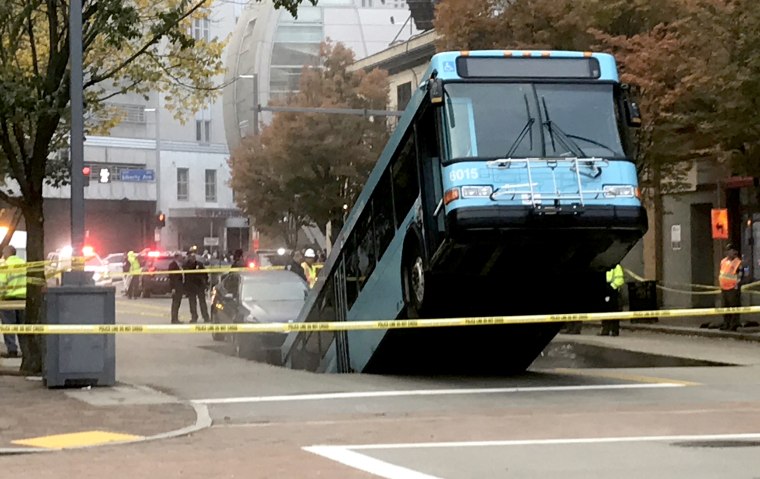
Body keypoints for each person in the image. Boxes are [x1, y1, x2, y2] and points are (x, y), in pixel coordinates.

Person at [0, 246, 25, 358]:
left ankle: (12, 350)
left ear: (7, 253)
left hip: (8, 300)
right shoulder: (24, 264)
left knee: (8, 326)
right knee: (23, 327)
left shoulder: (5, 266)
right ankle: (25, 350)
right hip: (23, 299)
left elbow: (1, 283)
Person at [719, 243, 743, 331]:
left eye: (731, 251)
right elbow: (722, 273)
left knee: (734, 306)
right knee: (725, 307)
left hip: (733, 288)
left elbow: (740, 276)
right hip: (724, 288)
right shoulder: (723, 261)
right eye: (728, 251)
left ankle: (734, 324)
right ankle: (726, 323)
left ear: (735, 252)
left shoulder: (738, 262)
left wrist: (737, 285)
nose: (728, 252)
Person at [183, 250, 209, 323]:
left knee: (202, 302)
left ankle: (206, 317)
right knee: (192, 303)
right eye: (191, 257)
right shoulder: (186, 266)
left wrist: (205, 283)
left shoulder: (199, 265)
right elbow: (185, 277)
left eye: (194, 257)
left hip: (199, 286)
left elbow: (205, 274)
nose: (193, 258)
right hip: (191, 287)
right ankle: (194, 317)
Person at [600, 264, 625, 336]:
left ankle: (614, 330)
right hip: (604, 290)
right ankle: (605, 330)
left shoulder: (616, 267)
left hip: (613, 291)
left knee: (614, 311)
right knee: (604, 311)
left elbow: (620, 280)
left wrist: (612, 287)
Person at [168, 252, 184, 324]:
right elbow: (172, 277)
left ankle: (176, 318)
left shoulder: (180, 265)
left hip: (180, 286)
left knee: (178, 303)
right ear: (177, 257)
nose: (182, 258)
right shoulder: (172, 265)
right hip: (176, 286)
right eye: (180, 256)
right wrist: (173, 288)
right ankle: (174, 319)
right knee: (175, 303)